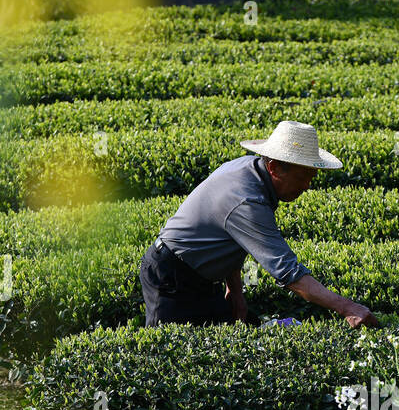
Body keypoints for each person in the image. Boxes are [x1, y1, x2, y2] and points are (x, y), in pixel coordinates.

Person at [139, 120, 379, 329]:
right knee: (177, 357)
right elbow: (288, 273)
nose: (307, 185)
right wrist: (348, 307)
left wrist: (235, 290)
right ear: (274, 167)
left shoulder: (248, 169)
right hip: (171, 278)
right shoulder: (247, 200)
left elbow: (229, 235)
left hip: (199, 275)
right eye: (302, 176)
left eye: (311, 176)